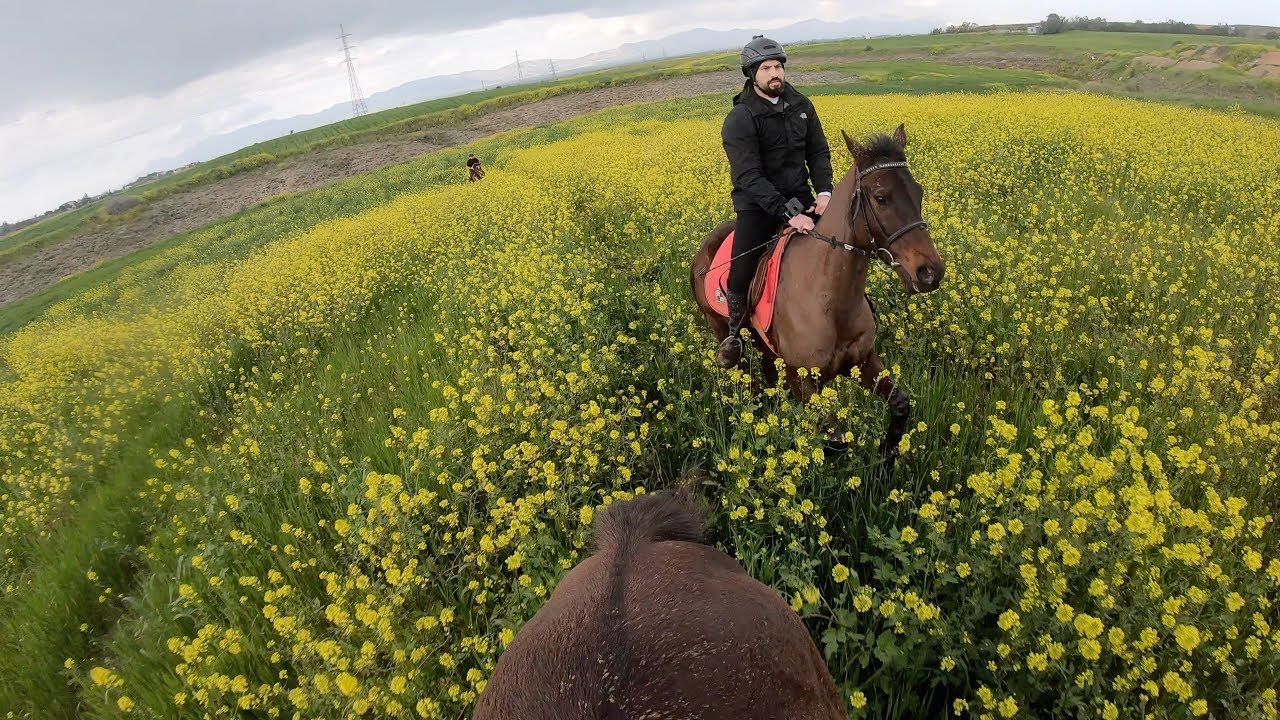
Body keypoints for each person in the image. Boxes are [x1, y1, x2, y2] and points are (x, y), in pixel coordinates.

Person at [717, 36, 833, 369]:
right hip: (757, 207)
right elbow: (748, 176)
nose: (774, 73)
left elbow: (818, 152)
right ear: (752, 74)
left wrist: (824, 193)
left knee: (841, 248)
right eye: (766, 68)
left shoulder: (802, 106)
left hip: (803, 198)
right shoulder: (740, 119)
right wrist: (789, 213)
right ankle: (735, 335)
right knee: (740, 274)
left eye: (778, 66)